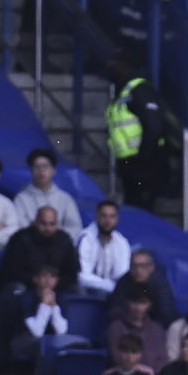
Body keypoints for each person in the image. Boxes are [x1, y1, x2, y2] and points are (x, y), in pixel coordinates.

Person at [106, 60, 170, 210]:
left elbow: (153, 127)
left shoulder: (140, 89)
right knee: (133, 206)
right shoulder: (123, 91)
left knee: (143, 209)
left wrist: (143, 162)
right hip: (129, 162)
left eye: (114, 62)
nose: (109, 67)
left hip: (145, 163)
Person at [13, 148, 83, 239]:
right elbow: (18, 227)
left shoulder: (65, 198)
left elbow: (75, 227)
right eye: (37, 167)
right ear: (31, 171)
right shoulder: (21, 199)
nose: (41, 171)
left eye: (45, 166)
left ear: (54, 170)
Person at [74, 200, 131, 295]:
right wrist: (110, 286)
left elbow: (122, 274)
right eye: (104, 216)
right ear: (97, 217)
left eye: (112, 216)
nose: (108, 221)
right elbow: (82, 276)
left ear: (117, 219)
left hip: (111, 291)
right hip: (86, 290)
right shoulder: (85, 239)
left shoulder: (121, 242)